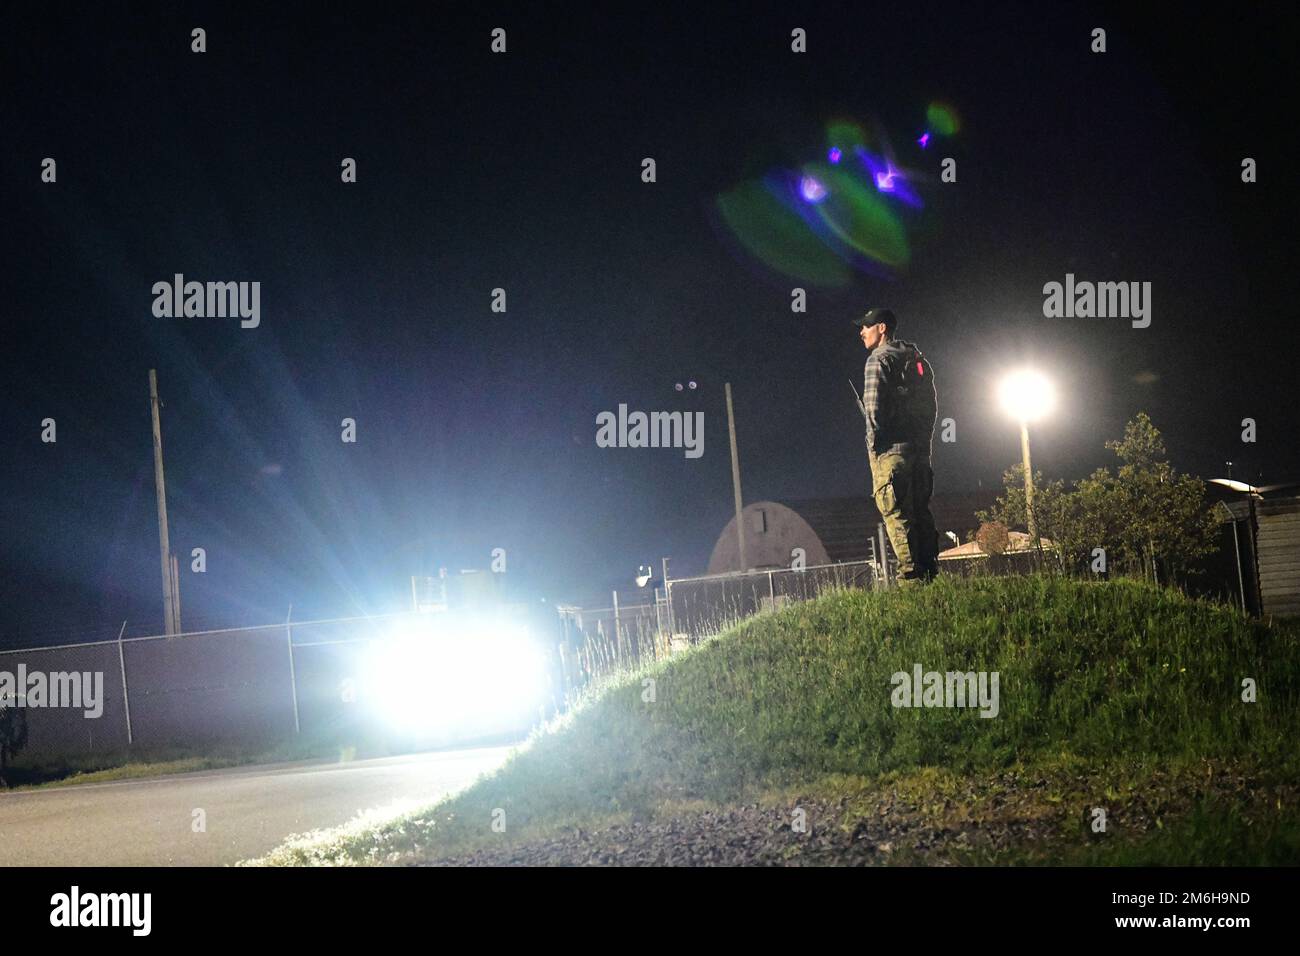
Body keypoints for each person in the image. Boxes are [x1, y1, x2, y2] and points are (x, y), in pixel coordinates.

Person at [853, 308, 939, 585]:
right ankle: (929, 573)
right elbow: (931, 406)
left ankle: (912, 580)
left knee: (898, 515)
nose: (861, 332)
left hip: (891, 453)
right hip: (919, 451)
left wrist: (874, 446)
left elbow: (873, 412)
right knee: (921, 512)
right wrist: (923, 442)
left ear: (881, 328)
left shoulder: (877, 360)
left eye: (866, 327)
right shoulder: (916, 359)